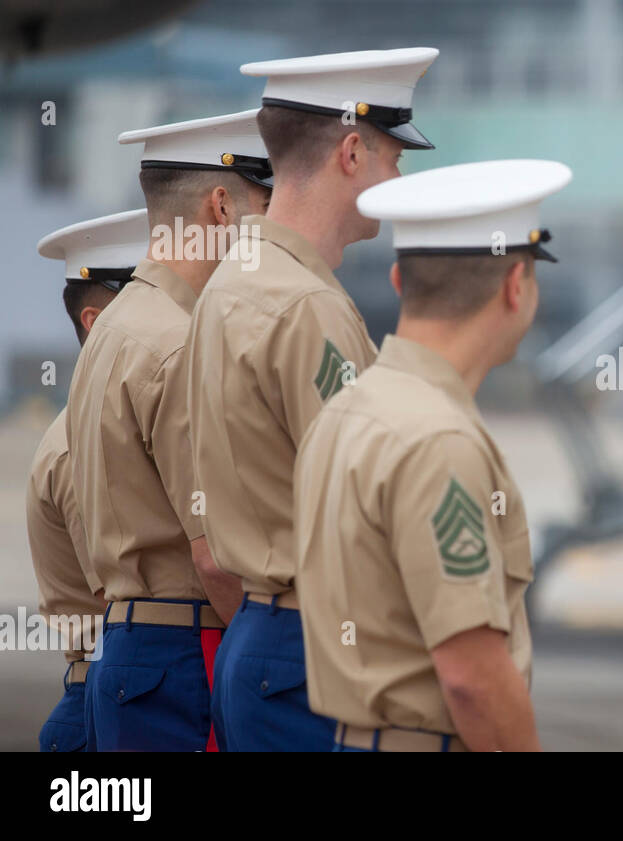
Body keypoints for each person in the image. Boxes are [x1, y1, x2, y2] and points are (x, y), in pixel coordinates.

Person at [188, 48, 438, 751]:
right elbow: (369, 510)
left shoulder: (232, 283)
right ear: (352, 150)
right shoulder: (304, 306)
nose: (399, 176)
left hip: (263, 638)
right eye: (393, 155)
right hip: (312, 647)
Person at [294, 159, 570, 751]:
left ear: (399, 282)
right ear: (516, 287)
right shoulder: (438, 440)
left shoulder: (344, 410)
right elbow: (470, 677)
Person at [65, 111, 272, 751]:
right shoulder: (178, 343)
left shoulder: (117, 327)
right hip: (188, 648)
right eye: (264, 206)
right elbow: (213, 555)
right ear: (220, 207)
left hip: (129, 649)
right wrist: (277, 660)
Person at [30, 208, 147, 751]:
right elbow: (117, 588)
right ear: (97, 322)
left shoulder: (91, 422)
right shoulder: (82, 438)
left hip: (115, 690)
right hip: (112, 697)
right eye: (145, 295)